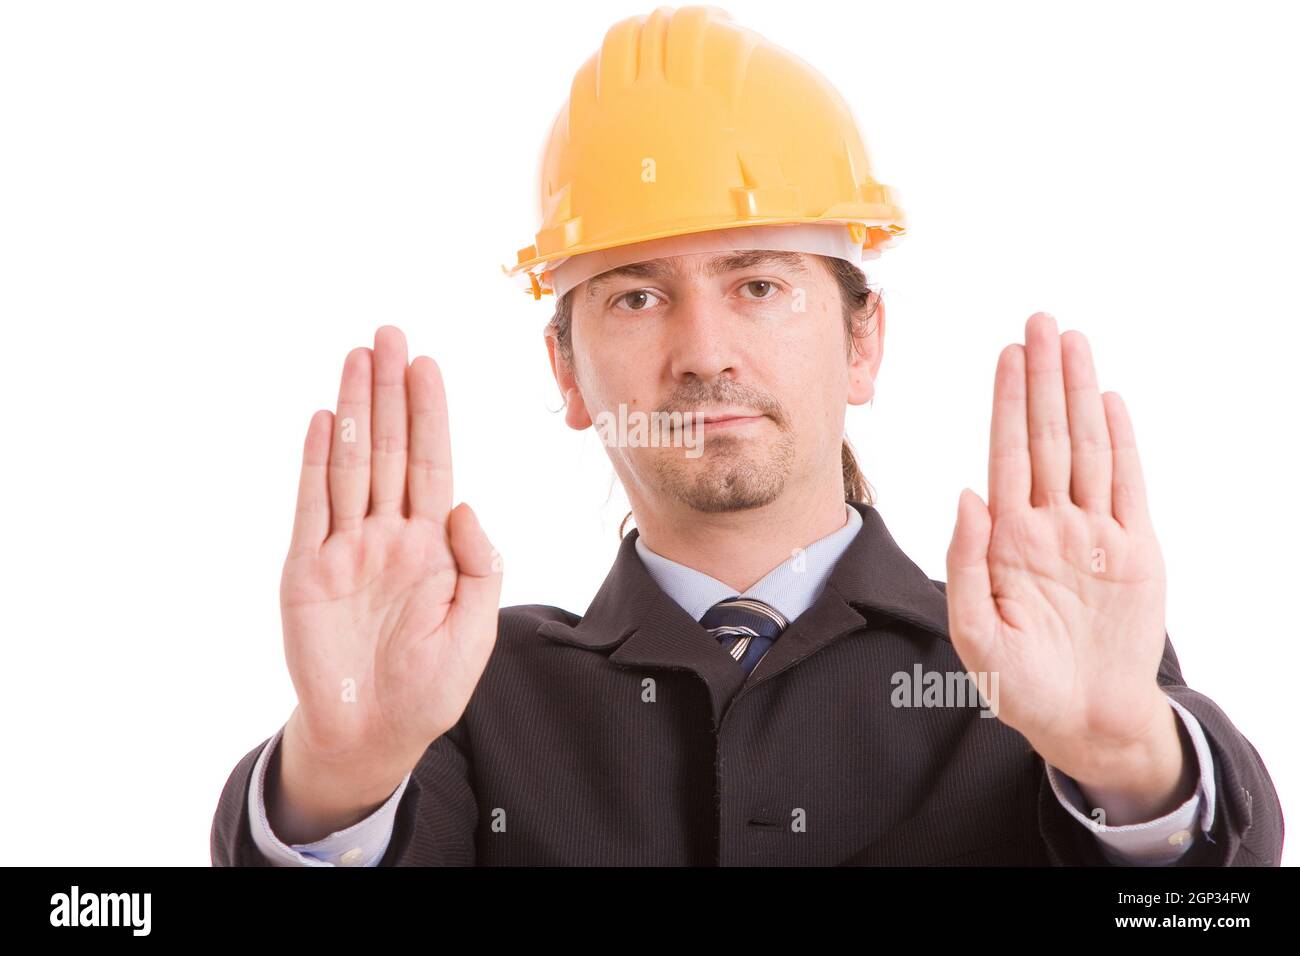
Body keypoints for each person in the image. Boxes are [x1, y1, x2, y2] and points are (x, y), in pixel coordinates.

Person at [211, 4, 1283, 866]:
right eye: (634, 297)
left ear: (864, 342)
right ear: (565, 370)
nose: (704, 349)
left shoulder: (1035, 661)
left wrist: (1128, 762)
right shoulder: (460, 690)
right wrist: (339, 770)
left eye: (759, 283)